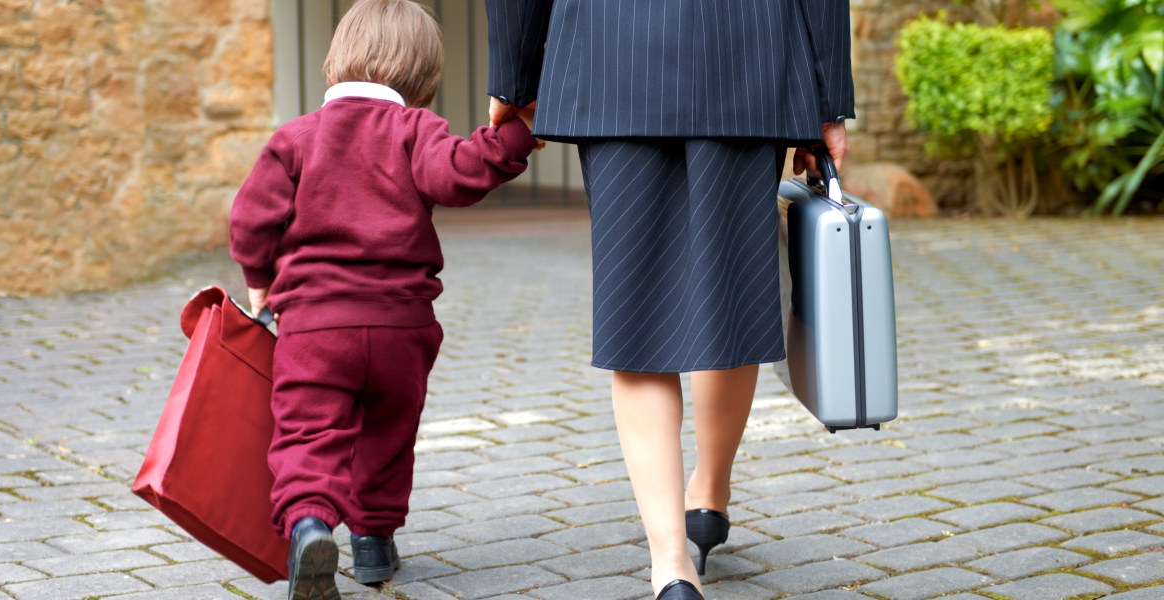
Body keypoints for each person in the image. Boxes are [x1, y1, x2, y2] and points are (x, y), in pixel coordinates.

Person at [485, 1, 854, 598]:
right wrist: (828, 100)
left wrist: (514, 74)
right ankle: (708, 493)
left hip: (614, 60)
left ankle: (671, 567)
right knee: (731, 297)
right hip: (747, 58)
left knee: (637, 319)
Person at [227, 1, 538, 598]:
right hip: (402, 328)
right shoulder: (415, 130)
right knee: (389, 433)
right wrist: (516, 132)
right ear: (423, 76)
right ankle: (374, 543)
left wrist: (260, 282)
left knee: (307, 435)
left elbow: (250, 218)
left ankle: (312, 525)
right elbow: (460, 173)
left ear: (336, 60)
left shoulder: (295, 139)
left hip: (315, 331)